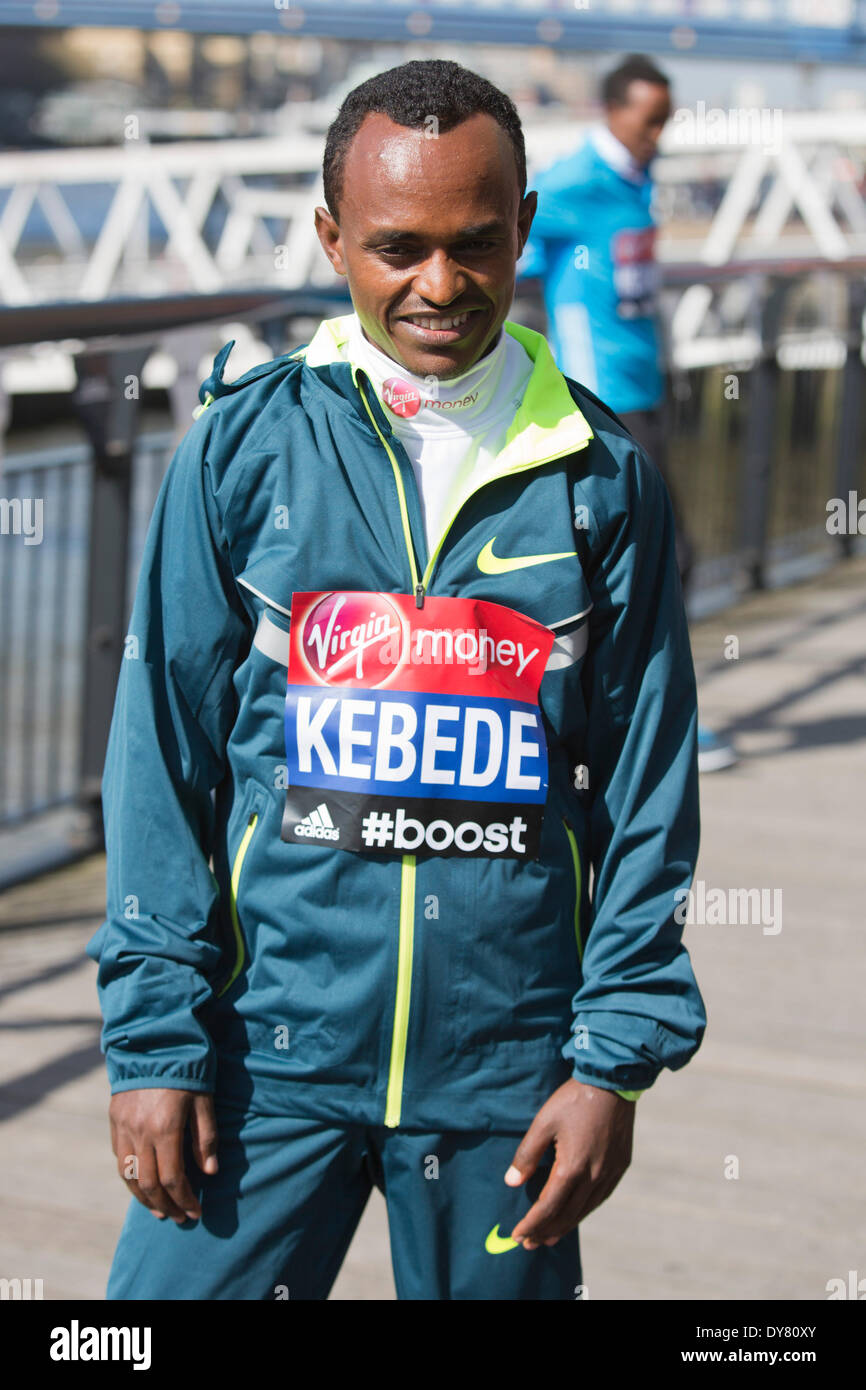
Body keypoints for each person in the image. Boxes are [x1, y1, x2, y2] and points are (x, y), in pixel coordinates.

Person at [87, 59, 706, 1302]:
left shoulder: (599, 478)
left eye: (473, 244)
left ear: (523, 227)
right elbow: (161, 758)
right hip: (266, 1055)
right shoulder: (240, 451)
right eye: (396, 247)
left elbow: (647, 791)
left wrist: (609, 1063)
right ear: (332, 239)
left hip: (506, 1071)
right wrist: (153, 1044)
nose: (438, 283)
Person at [523, 53, 736, 772]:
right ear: (612, 112)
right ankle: (654, 729)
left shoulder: (638, 177)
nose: (658, 134)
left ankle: (626, 724)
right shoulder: (573, 184)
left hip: (646, 391)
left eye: (666, 121)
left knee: (638, 564)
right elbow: (499, 242)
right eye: (649, 122)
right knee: (660, 559)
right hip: (602, 398)